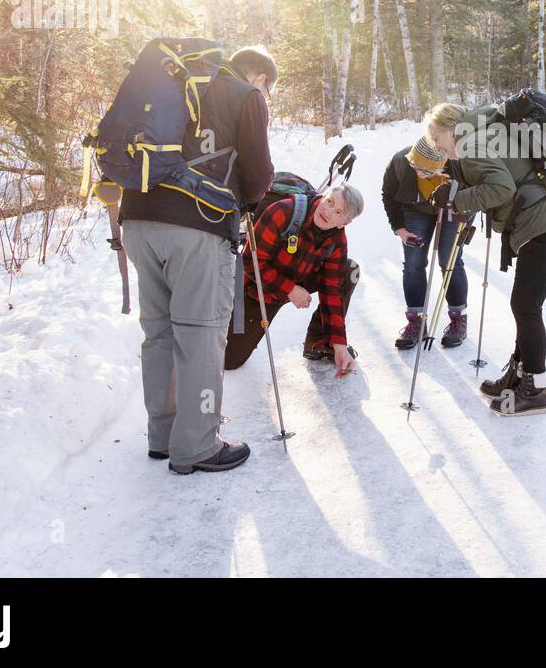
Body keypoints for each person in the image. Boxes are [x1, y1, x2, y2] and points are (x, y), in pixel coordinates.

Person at [120, 45, 276, 475]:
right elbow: (261, 177)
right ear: (259, 76)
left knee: (159, 330)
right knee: (202, 333)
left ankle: (163, 436)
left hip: (136, 220)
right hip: (198, 226)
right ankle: (197, 446)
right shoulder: (246, 95)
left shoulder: (165, 83)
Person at [422, 101, 546, 416]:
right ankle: (519, 378)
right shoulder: (484, 131)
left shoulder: (470, 142)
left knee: (525, 306)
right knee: (526, 305)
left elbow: (501, 188)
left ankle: (536, 391)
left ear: (449, 127)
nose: (437, 147)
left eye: (436, 138)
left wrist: (457, 200)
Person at [224, 184, 365, 378]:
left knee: (349, 271)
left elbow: (331, 289)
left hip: (301, 276)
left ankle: (319, 342)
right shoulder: (283, 211)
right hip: (259, 286)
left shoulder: (337, 240)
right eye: (329, 201)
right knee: (229, 360)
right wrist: (290, 290)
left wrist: (339, 344)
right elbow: (250, 262)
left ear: (344, 222)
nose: (327, 210)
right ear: (324, 196)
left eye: (338, 211)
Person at [380, 136, 469, 350]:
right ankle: (417, 321)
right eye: (416, 167)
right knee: (413, 263)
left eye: (427, 171)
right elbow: (389, 196)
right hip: (414, 209)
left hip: (454, 208)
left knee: (449, 260)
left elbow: (476, 194)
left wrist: (461, 213)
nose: (420, 173)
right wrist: (399, 228)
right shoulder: (400, 161)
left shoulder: (458, 164)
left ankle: (458, 318)